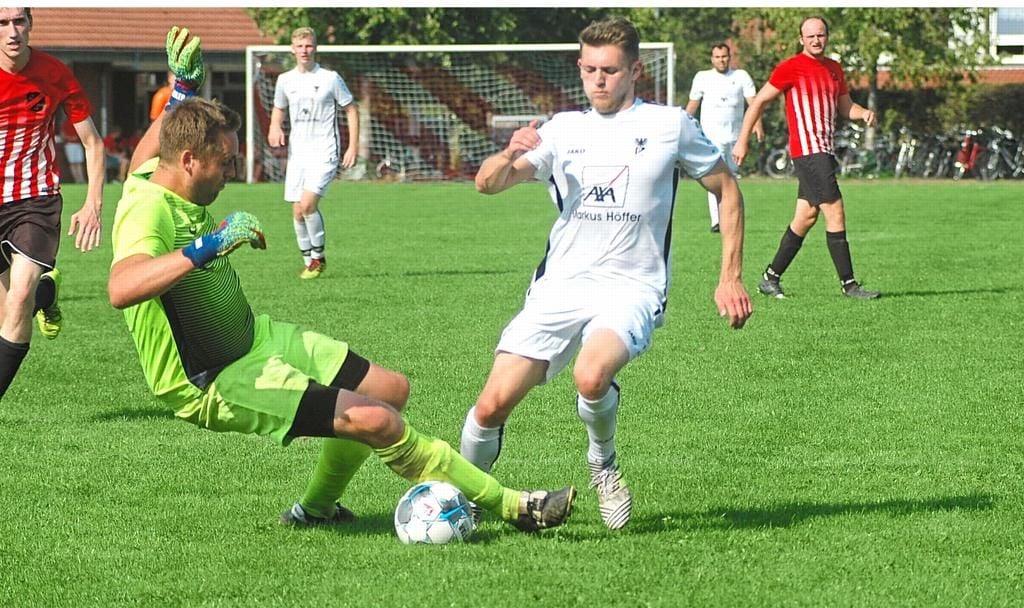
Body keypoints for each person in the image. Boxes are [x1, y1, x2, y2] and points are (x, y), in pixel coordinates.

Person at [108, 27, 575, 534]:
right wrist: (209, 245)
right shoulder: (146, 212)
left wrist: (182, 91)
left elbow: (148, 153)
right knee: (379, 420)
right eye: (224, 163)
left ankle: (314, 510)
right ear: (189, 161)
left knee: (390, 391)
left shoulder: (151, 174)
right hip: (212, 376)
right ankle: (514, 505)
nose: (231, 173)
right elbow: (121, 288)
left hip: (254, 337)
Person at [459, 16, 753, 531]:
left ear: (635, 71)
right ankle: (465, 500)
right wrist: (509, 153)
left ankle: (603, 464)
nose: (599, 79)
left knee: (591, 375)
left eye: (611, 70)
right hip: (560, 286)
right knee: (489, 407)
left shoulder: (669, 126)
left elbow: (727, 189)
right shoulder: (562, 130)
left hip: (633, 287)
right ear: (580, 67)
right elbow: (488, 185)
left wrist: (729, 276)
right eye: (590, 69)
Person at [733, 15, 880, 300]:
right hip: (808, 152)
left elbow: (846, 107)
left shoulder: (834, 69)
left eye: (820, 35)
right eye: (810, 36)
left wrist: (862, 113)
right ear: (801, 39)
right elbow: (759, 101)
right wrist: (742, 140)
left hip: (824, 150)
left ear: (827, 37)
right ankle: (849, 285)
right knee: (834, 210)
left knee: (806, 216)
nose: (816, 40)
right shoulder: (791, 67)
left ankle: (770, 278)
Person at [0, 6, 104, 400]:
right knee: (10, 312)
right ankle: (47, 293)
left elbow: (93, 143)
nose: (12, 31)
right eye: (3, 23)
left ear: (30, 24)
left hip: (35, 201)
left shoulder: (55, 73)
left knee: (18, 301)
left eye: (19, 21)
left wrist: (93, 203)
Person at [268, 27, 359, 280]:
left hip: (324, 151)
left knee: (308, 204)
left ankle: (318, 259)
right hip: (298, 153)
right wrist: (275, 126)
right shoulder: (285, 80)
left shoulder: (330, 78)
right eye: (299, 46)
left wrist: (353, 146)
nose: (304, 51)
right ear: (292, 49)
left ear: (315, 48)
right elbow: (279, 108)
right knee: (297, 211)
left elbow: (351, 109)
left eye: (308, 46)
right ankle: (308, 261)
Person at [686, 43, 763, 233]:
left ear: (730, 57)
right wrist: (683, 125)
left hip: (735, 138)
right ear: (712, 59)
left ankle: (731, 216)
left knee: (732, 177)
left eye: (724, 56)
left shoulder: (741, 76)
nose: (721, 60)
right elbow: (692, 105)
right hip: (711, 137)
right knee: (716, 177)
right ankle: (717, 221)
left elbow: (753, 103)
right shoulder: (703, 77)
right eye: (717, 57)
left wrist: (758, 125)